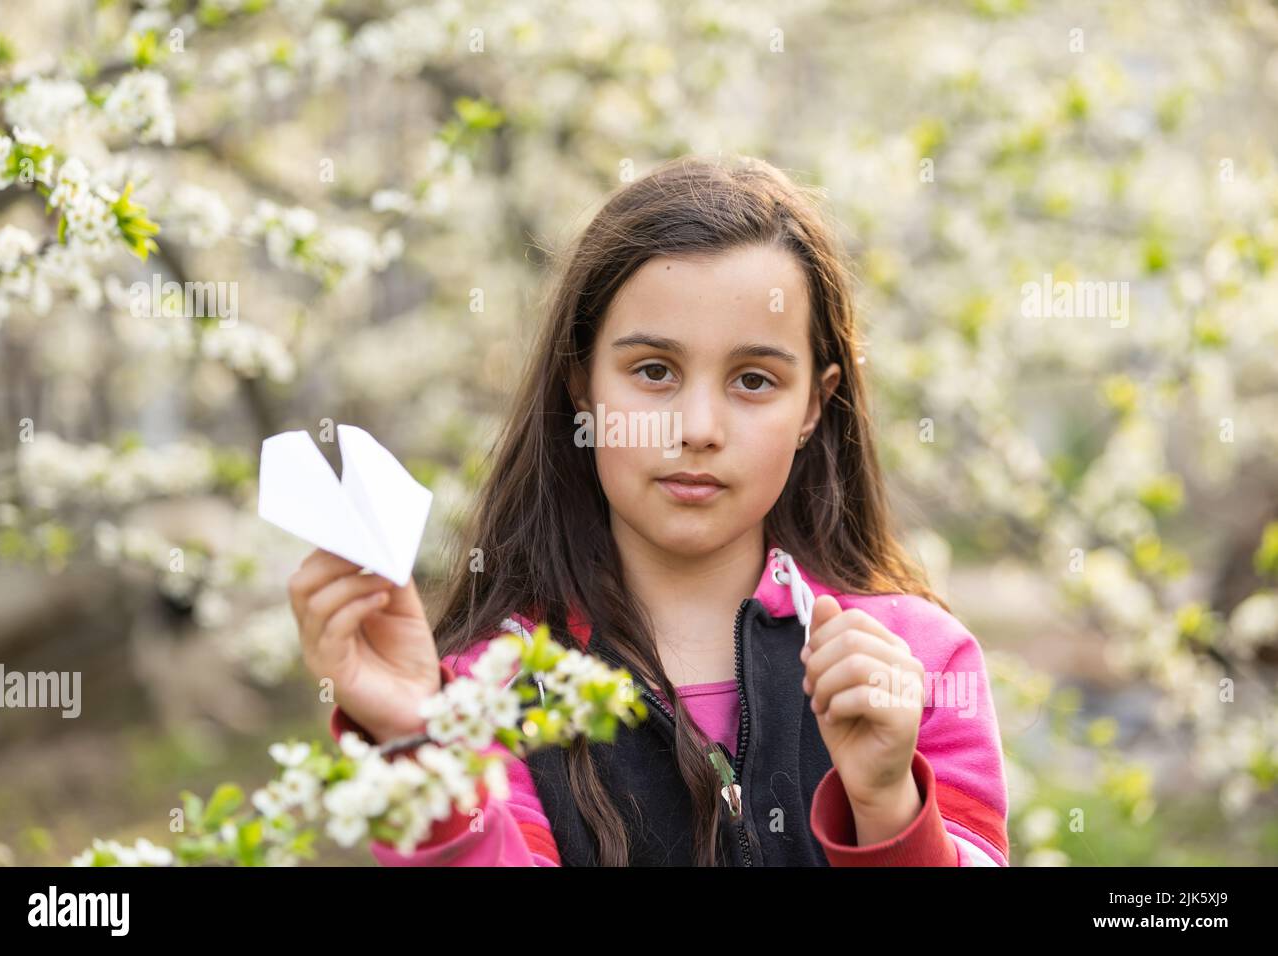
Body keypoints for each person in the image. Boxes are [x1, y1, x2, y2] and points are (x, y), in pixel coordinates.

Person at [288, 154, 1009, 867]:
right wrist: (418, 740)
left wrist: (888, 807)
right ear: (581, 386)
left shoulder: (916, 662)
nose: (698, 426)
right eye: (654, 372)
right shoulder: (489, 687)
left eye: (754, 380)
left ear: (814, 406)